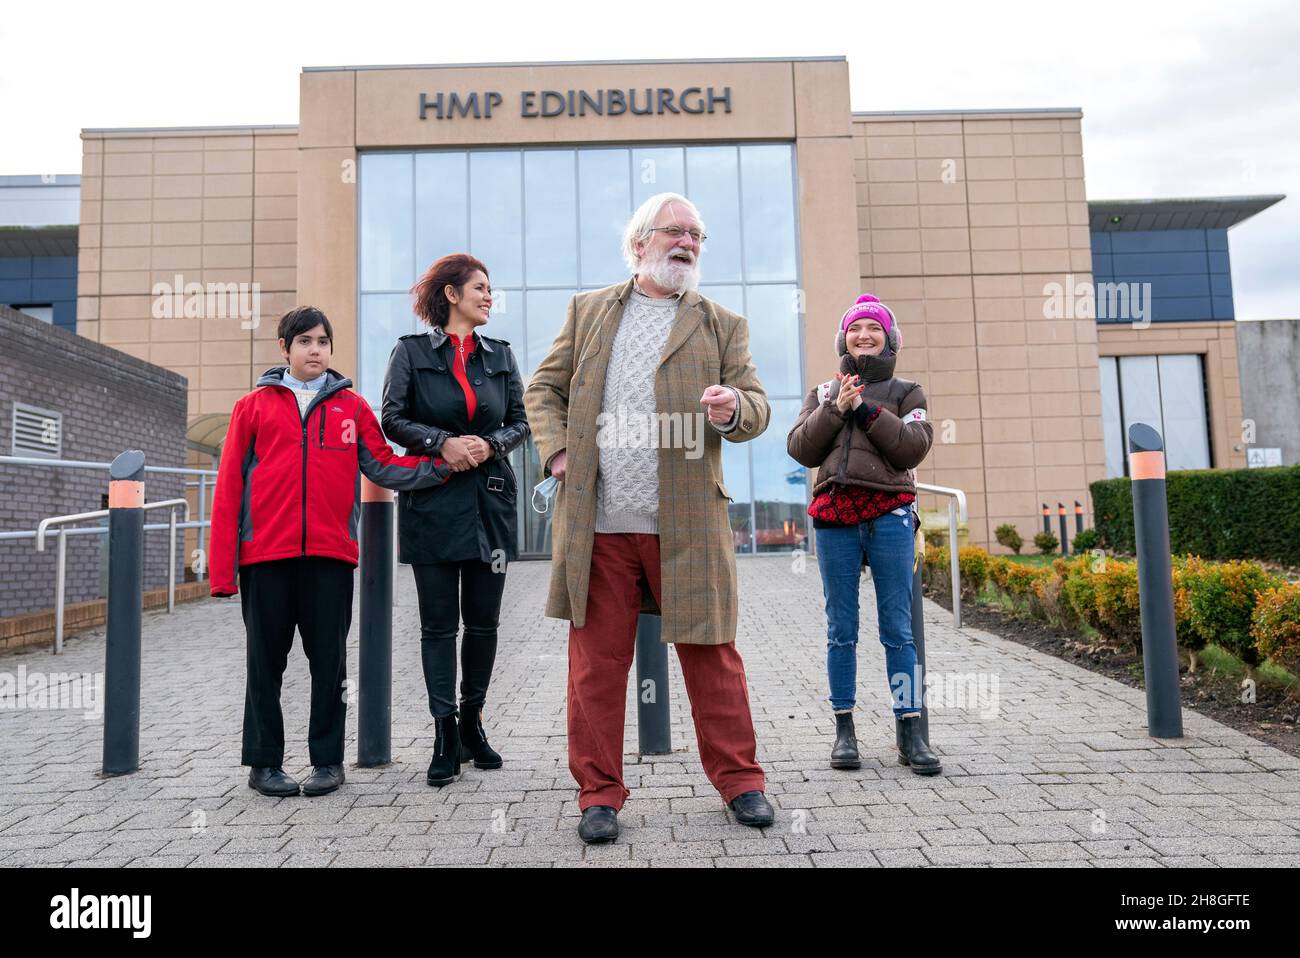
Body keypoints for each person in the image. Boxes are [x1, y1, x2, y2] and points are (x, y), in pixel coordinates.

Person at [524, 192, 776, 844]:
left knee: (712, 654)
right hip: (600, 526)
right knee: (595, 667)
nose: (688, 242)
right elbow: (543, 390)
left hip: (686, 524)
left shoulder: (722, 323)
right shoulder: (588, 312)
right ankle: (598, 795)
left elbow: (755, 404)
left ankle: (742, 783)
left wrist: (732, 411)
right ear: (640, 243)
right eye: (676, 232)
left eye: (697, 234)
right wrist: (556, 452)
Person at [210, 306, 451, 798]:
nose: (314, 349)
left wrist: (442, 465)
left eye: (322, 340)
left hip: (330, 557)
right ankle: (264, 764)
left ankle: (327, 761)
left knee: (330, 665)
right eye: (304, 341)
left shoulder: (353, 408)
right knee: (265, 665)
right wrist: (222, 573)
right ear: (285, 348)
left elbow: (383, 465)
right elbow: (228, 489)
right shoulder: (252, 408)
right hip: (266, 559)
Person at [381, 254, 529, 787]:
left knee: (484, 623)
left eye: (491, 289)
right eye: (481, 288)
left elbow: (520, 422)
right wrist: (441, 443)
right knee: (439, 626)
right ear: (452, 294)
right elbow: (391, 419)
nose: (489, 297)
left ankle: (473, 724)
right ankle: (443, 732)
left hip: (490, 503)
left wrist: (487, 446)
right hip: (434, 506)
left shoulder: (501, 356)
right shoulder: (411, 352)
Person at [786, 294, 941, 775]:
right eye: (856, 330)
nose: (864, 336)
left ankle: (910, 733)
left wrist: (867, 412)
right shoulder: (821, 392)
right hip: (836, 518)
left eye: (874, 329)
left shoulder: (907, 392)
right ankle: (844, 731)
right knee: (841, 630)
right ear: (844, 338)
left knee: (898, 630)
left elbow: (913, 448)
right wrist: (836, 408)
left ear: (889, 339)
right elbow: (800, 449)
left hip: (891, 515)